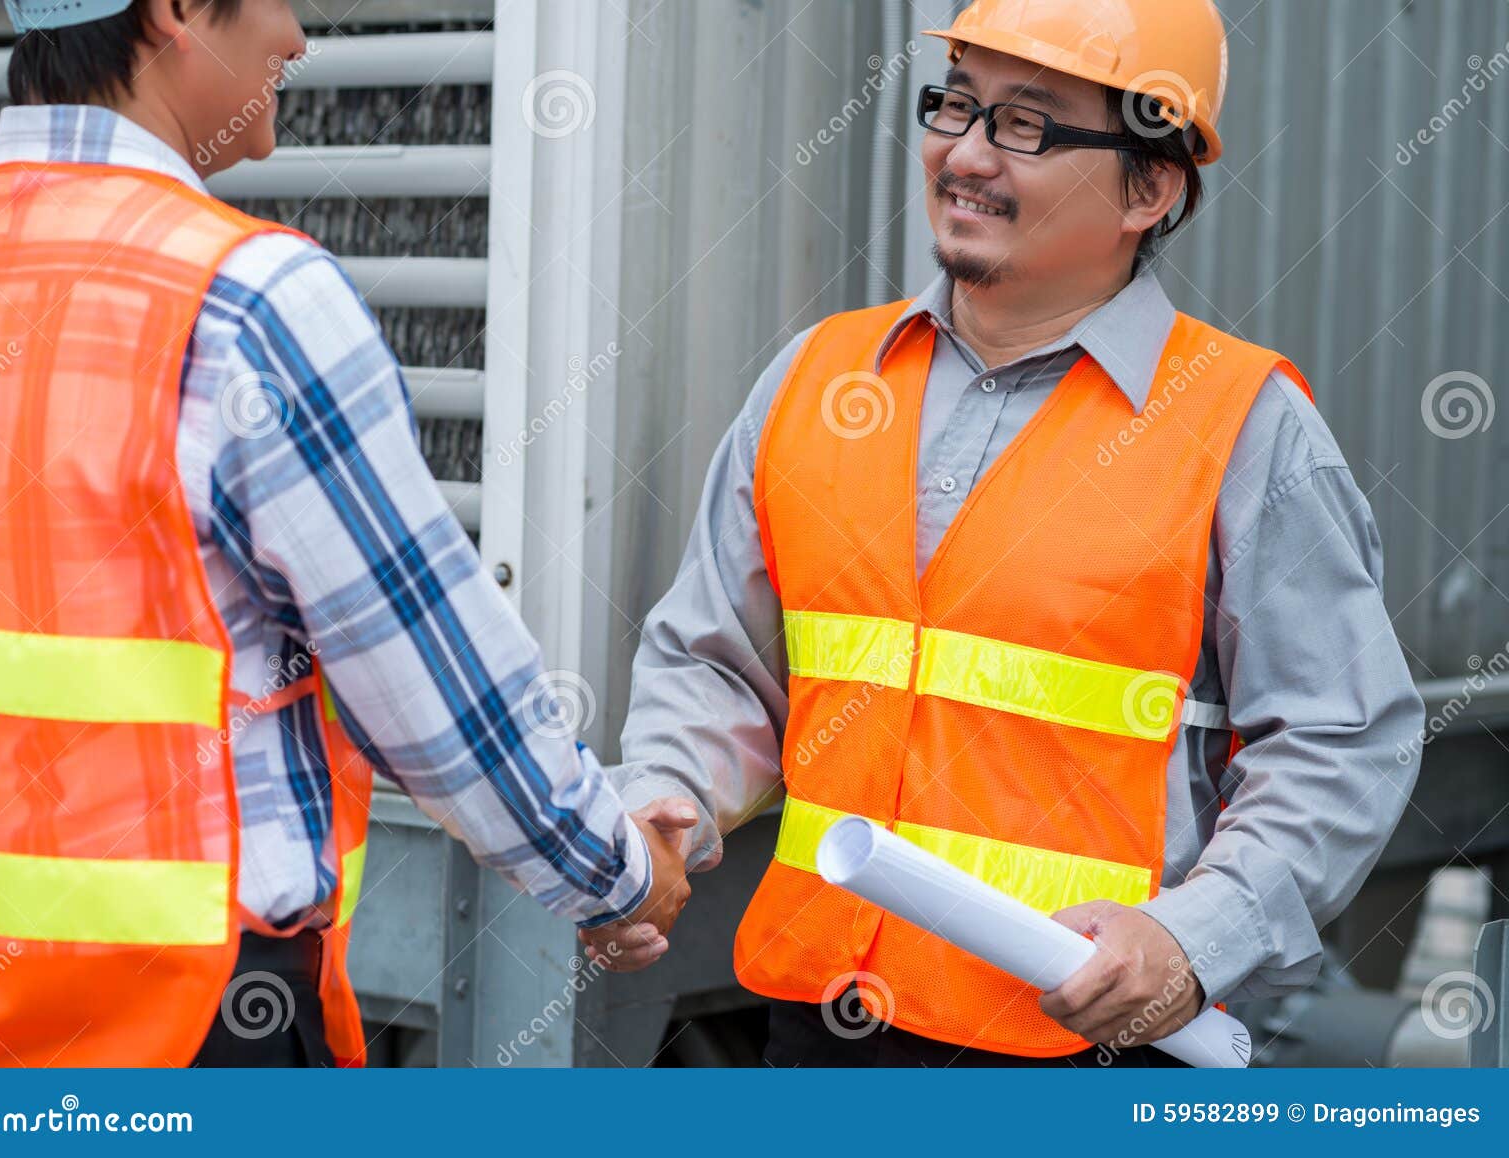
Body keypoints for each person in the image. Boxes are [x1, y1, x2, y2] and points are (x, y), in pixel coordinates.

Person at [586, 0, 1423, 1068]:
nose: (965, 153)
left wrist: (1190, 938)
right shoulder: (818, 380)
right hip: (814, 1032)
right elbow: (722, 661)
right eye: (955, 106)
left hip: (1089, 1051)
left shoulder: (1240, 427)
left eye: (1027, 124)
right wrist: (666, 802)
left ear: (1150, 186)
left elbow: (1341, 736)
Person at [0, 0, 693, 1067]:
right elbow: (429, 680)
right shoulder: (245, 301)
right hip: (183, 1025)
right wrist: (619, 871)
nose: (297, 38)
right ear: (178, 13)